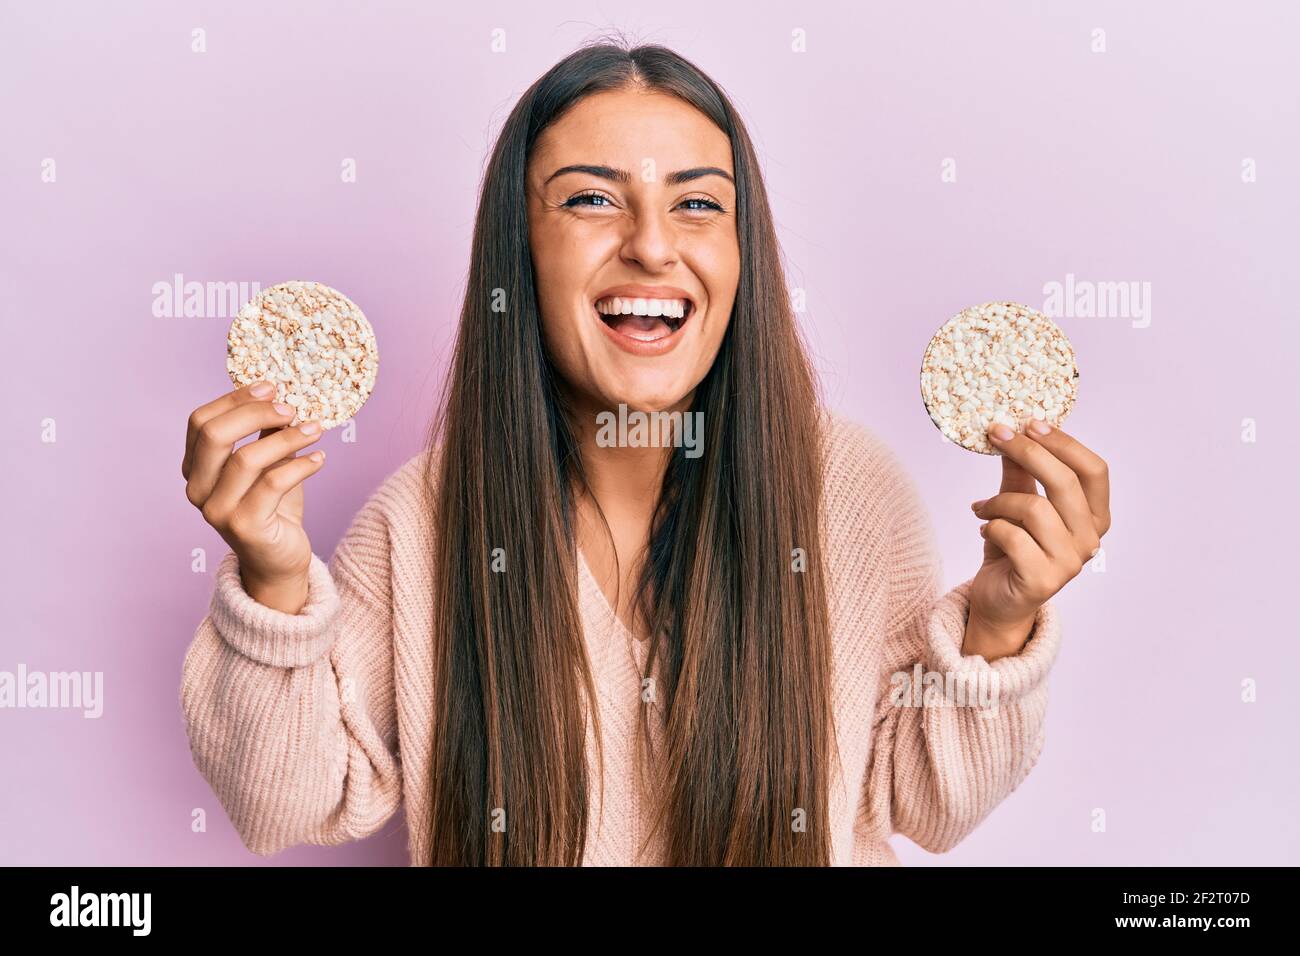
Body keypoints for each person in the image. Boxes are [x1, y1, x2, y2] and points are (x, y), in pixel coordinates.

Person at [179, 42, 1111, 866]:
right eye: (591, 199)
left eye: (698, 204)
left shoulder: (849, 495)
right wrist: (271, 585)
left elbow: (932, 810)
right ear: (519, 251)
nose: (653, 246)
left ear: (743, 254)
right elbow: (280, 807)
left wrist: (996, 625)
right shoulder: (422, 521)